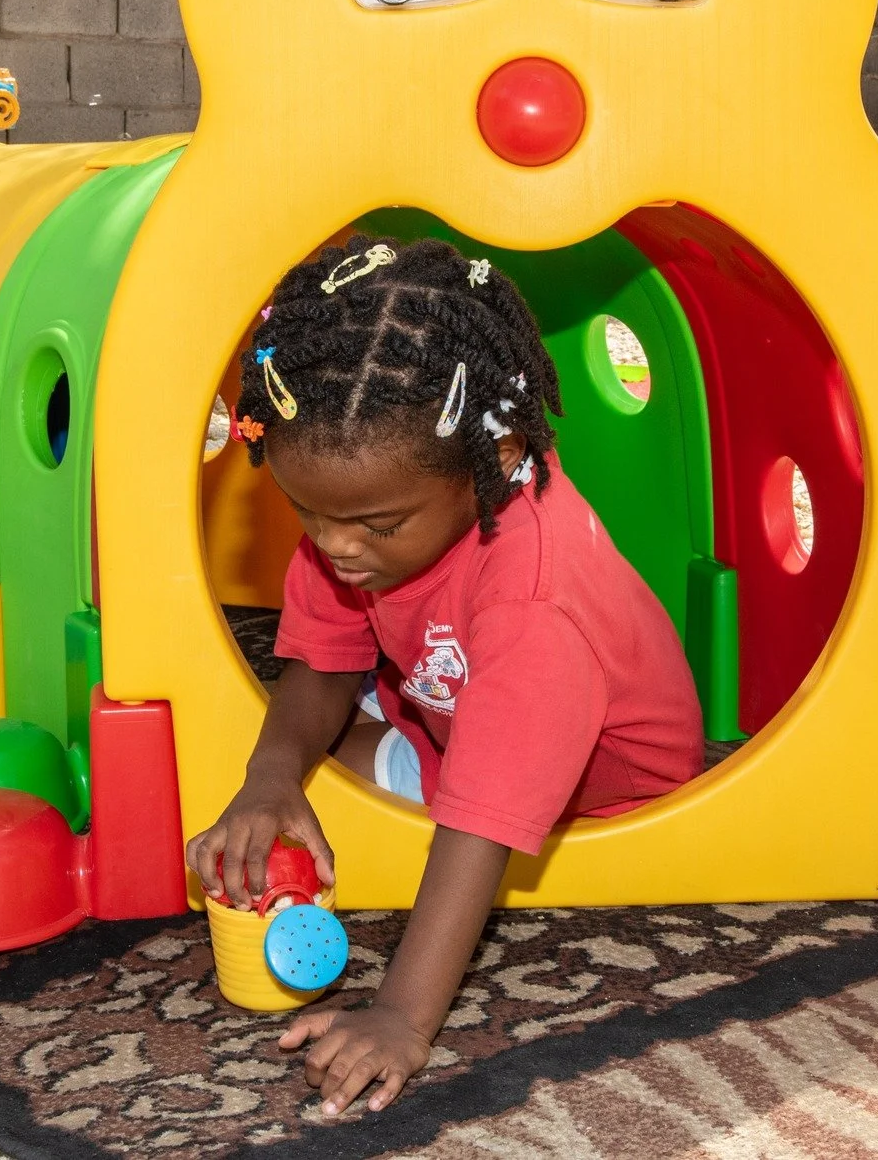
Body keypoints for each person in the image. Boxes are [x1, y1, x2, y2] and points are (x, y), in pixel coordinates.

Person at [185, 237, 704, 1116]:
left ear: (492, 463)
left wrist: (403, 1014)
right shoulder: (355, 525)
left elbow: (480, 823)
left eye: (374, 524)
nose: (337, 545)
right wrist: (269, 775)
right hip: (449, 724)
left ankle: (387, 764)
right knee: (268, 775)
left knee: (354, 779)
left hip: (597, 794)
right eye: (307, 512)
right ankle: (367, 758)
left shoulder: (536, 601)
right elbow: (317, 659)